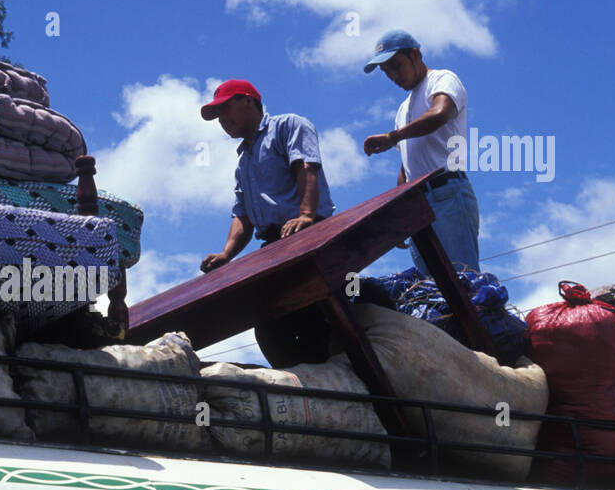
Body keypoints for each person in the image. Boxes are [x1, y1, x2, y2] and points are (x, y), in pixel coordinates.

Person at [199, 79, 336, 366]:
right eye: (218, 116)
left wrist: (306, 216)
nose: (223, 120)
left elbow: (307, 166)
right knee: (268, 323)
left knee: (318, 307)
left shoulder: (288, 125)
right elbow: (242, 216)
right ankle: (304, 384)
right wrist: (226, 254)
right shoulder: (243, 164)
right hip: (275, 246)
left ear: (249, 100)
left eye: (226, 109)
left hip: (309, 235)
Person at [362, 29, 479, 274]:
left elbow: (440, 113)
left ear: (415, 54)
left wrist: (392, 136)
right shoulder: (403, 109)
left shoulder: (442, 80)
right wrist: (399, 212)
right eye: (386, 72)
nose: (393, 76)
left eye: (396, 66)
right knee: (431, 288)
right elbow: (406, 167)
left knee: (462, 280)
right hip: (418, 203)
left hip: (446, 192)